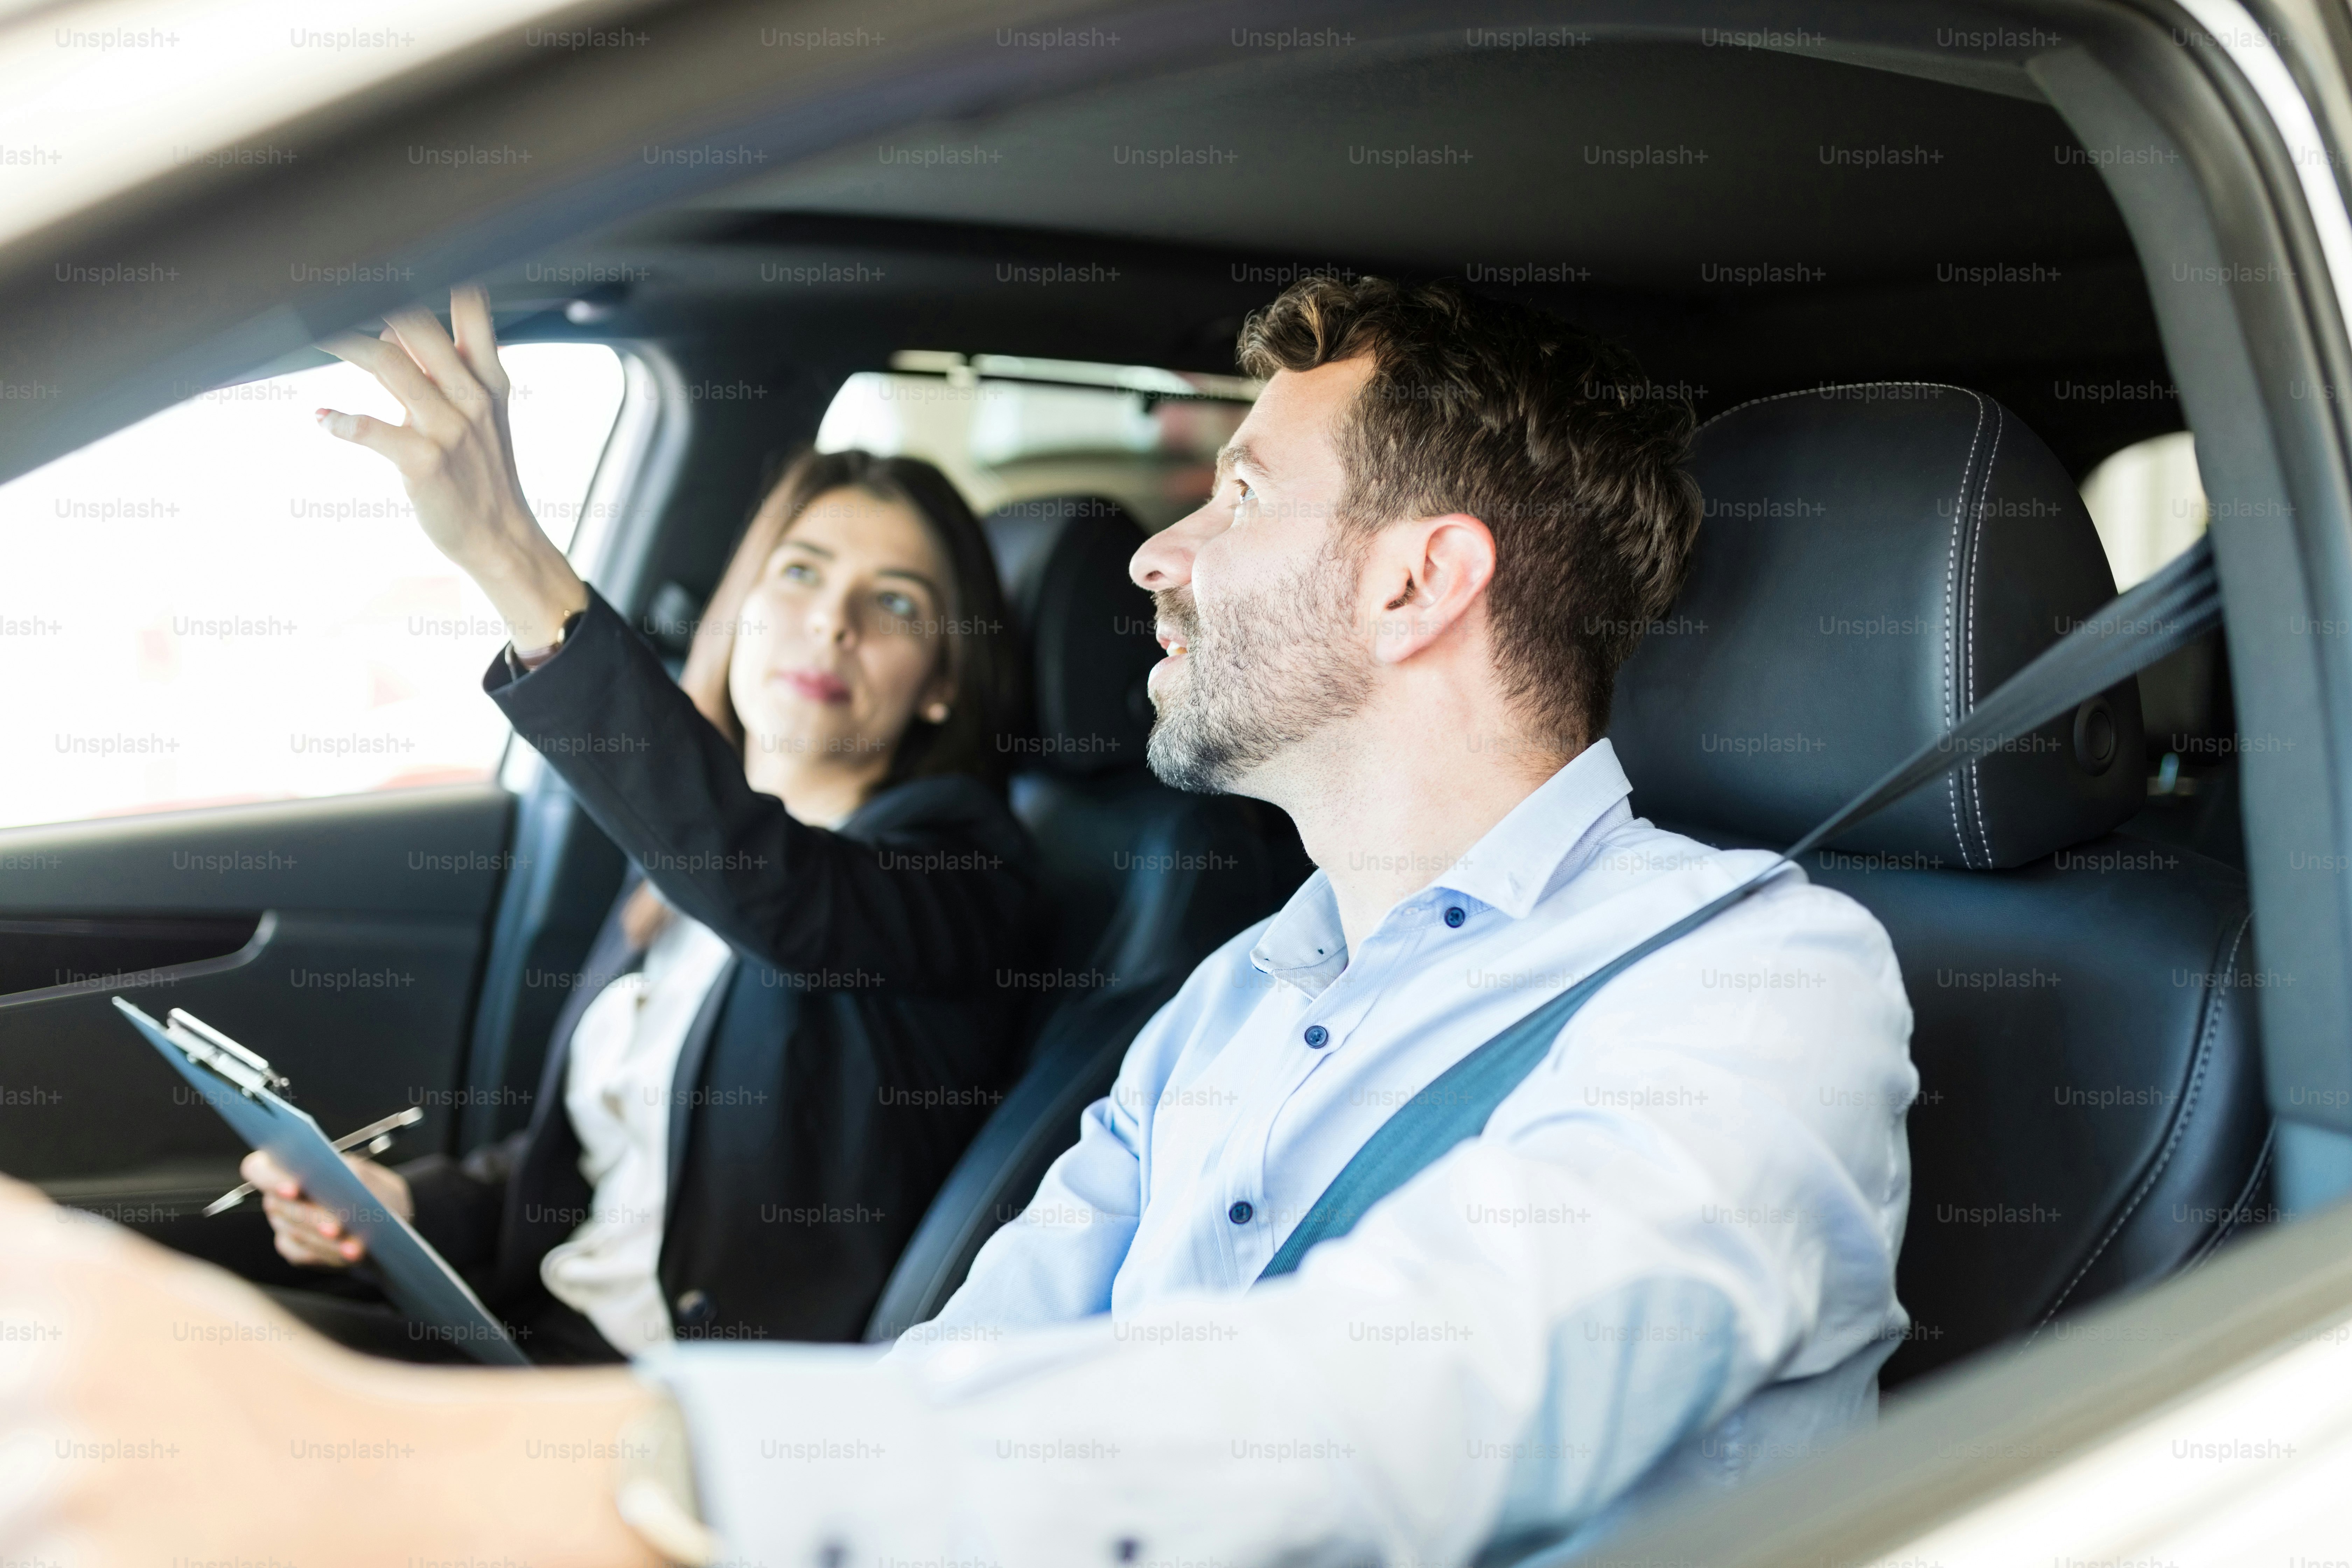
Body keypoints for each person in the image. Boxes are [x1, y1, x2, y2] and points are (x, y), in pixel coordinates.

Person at [0, 276, 1914, 1568]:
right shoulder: (1240, 999)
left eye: (1239, 489)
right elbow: (971, 1367)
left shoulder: (1762, 986)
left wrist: (520, 1478)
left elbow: (1404, 1402)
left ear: (1423, 581)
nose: (1152, 545)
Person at [242, 324, 1038, 1360]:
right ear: (740, 613)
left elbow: (785, 895)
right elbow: (615, 1171)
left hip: (678, 1408)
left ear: (943, 682)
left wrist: (505, 549)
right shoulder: (679, 865)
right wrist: (398, 1206)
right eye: (800, 574)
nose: (831, 621)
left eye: (896, 604)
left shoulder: (965, 873)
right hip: (537, 1336)